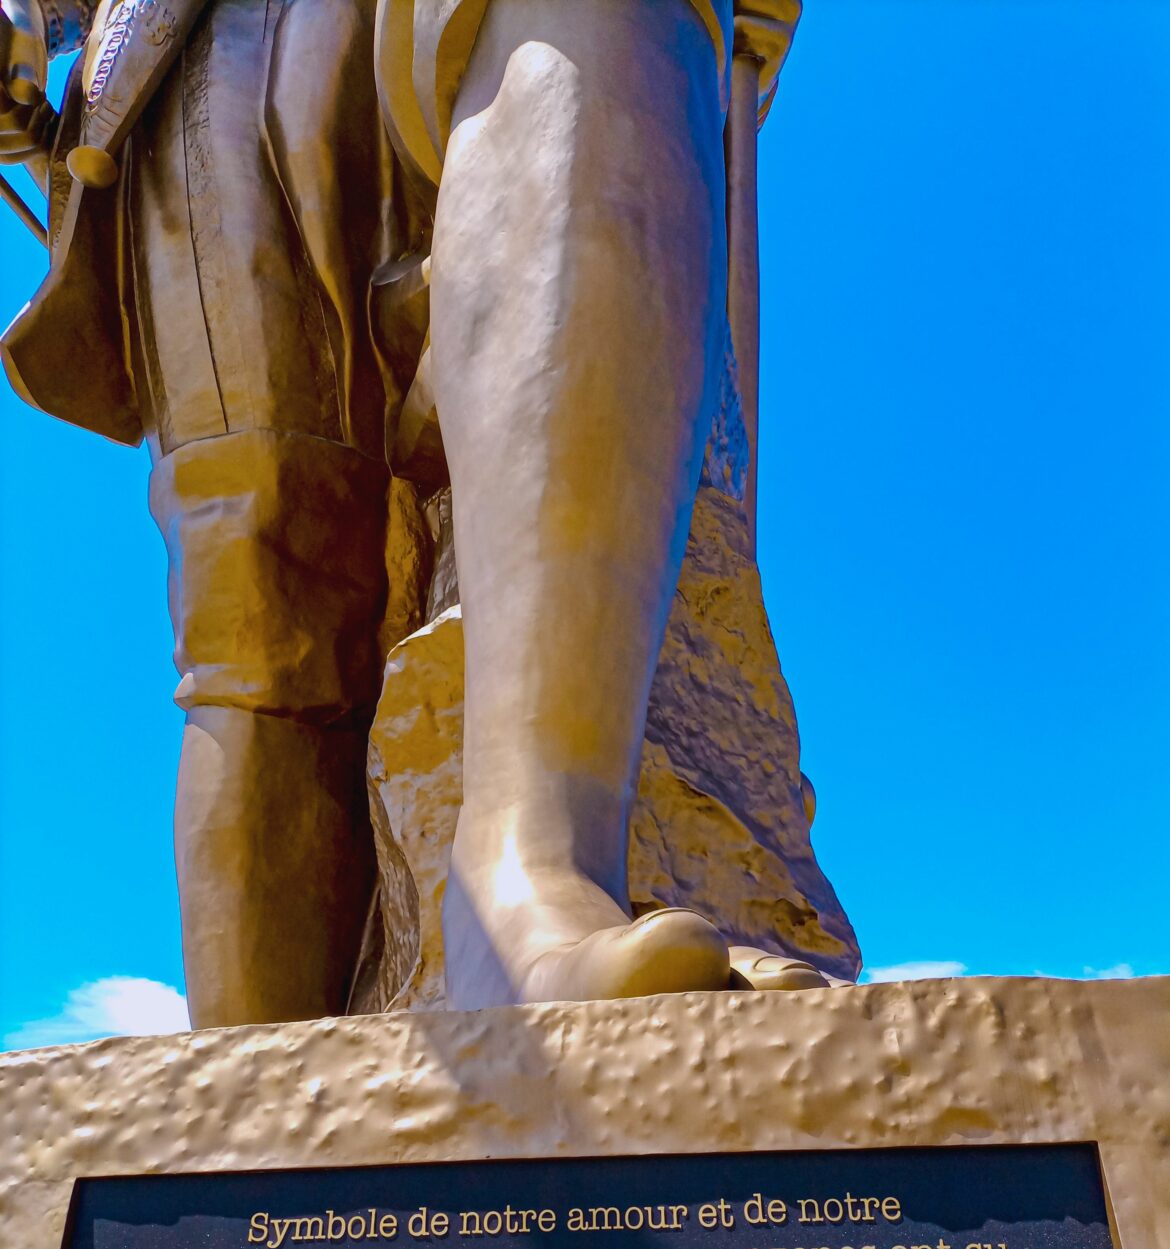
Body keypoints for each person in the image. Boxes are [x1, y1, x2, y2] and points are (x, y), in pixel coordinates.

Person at [1, 0, 819, 1026]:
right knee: (265, 594)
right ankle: (252, 1093)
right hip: (199, 48)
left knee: (585, 37)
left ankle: (528, 878)